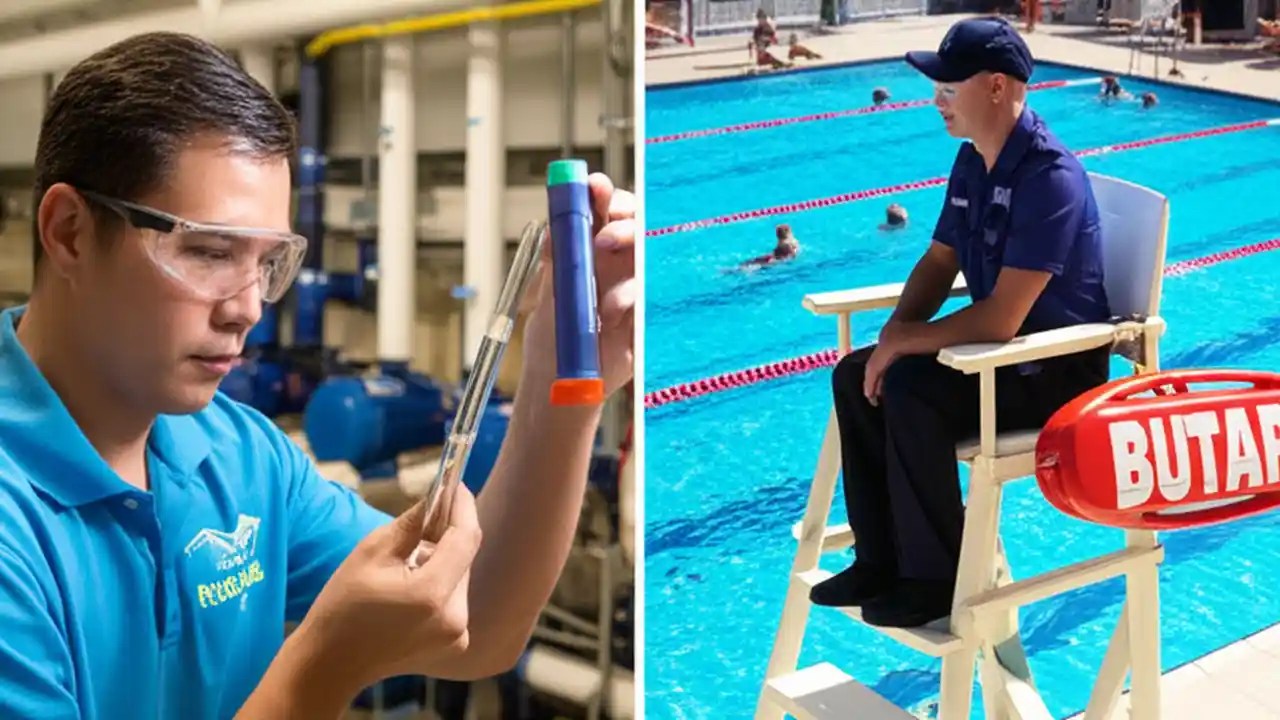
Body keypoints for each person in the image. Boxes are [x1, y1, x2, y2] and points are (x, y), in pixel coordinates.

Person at [0, 32, 636, 719]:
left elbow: (477, 621)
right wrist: (322, 668)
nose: (247, 309)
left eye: (267, 263)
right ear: (69, 231)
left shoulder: (241, 457)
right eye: (211, 251)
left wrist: (566, 382)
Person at [808, 16, 1111, 627]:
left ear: (996, 88)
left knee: (912, 390)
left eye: (949, 86)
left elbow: (1001, 318)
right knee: (854, 375)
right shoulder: (973, 163)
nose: (936, 99)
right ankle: (882, 559)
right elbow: (939, 260)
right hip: (1001, 362)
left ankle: (934, 578)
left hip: (1052, 373)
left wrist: (907, 346)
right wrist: (894, 335)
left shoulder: (1049, 177)